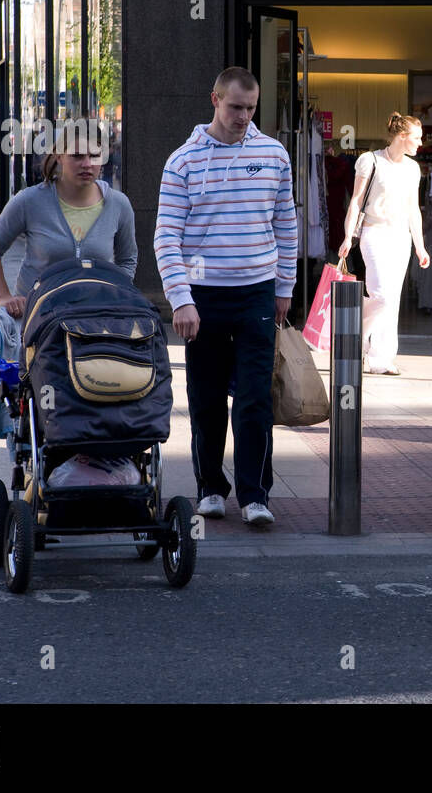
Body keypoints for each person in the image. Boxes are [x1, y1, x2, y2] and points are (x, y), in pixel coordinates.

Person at [155, 66, 298, 527]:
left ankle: (256, 495)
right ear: (214, 99)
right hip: (203, 296)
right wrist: (180, 299)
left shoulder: (274, 154)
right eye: (235, 106)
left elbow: (286, 226)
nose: (243, 116)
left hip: (257, 292)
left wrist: (284, 287)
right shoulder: (183, 161)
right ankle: (211, 487)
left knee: (256, 397)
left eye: (251, 108)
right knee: (208, 397)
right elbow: (166, 237)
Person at [0, 126, 138, 317]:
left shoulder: (118, 204)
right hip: (39, 321)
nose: (87, 164)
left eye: (94, 155)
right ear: (59, 156)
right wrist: (4, 297)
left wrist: (114, 293)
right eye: (77, 156)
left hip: (94, 320)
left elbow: (127, 260)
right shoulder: (30, 200)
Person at [336, 112, 430, 376]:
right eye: (417, 138)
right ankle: (354, 334)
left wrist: (420, 246)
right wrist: (347, 237)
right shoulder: (370, 161)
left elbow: (414, 209)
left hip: (401, 236)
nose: (420, 143)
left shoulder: (412, 168)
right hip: (374, 233)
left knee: (393, 298)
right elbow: (355, 201)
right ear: (402, 137)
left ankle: (381, 358)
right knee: (382, 296)